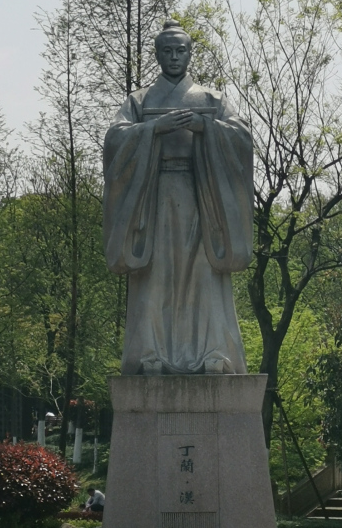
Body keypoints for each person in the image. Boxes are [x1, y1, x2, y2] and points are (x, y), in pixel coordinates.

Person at [103, 19, 253, 376]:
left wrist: (206, 128)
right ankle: (151, 354)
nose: (174, 57)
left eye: (180, 50)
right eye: (167, 51)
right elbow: (115, 140)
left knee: (203, 273)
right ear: (157, 54)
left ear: (189, 53)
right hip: (153, 199)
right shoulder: (139, 101)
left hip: (203, 196)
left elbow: (242, 139)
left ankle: (212, 353)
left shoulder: (211, 100)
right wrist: (154, 129)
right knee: (156, 276)